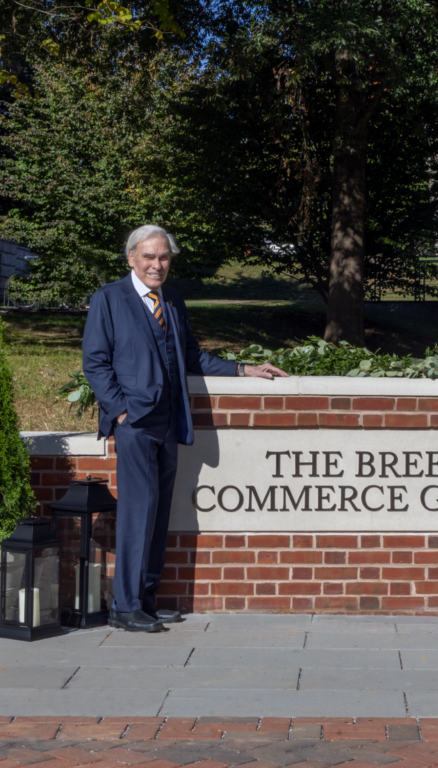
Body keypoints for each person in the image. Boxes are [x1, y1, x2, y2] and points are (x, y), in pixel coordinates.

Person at [82, 225, 288, 632]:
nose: (157, 265)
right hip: (136, 424)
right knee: (138, 512)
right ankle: (125, 606)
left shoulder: (172, 300)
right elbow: (95, 362)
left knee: (158, 516)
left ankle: (147, 599)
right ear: (131, 258)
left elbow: (191, 356)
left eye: (163, 258)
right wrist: (121, 411)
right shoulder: (109, 299)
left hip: (169, 421)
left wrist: (243, 370)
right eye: (149, 257)